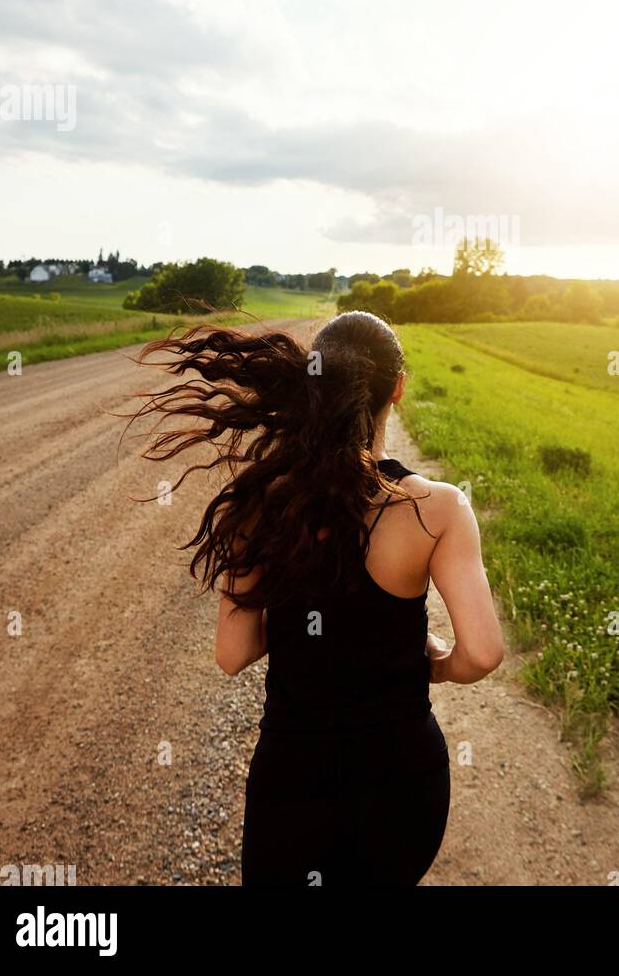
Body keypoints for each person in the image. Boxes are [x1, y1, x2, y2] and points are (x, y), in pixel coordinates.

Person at [130, 309, 504, 886]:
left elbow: (232, 654)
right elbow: (480, 654)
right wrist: (433, 661)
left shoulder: (258, 506)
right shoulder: (438, 510)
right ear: (397, 390)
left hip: (295, 783)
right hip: (402, 783)